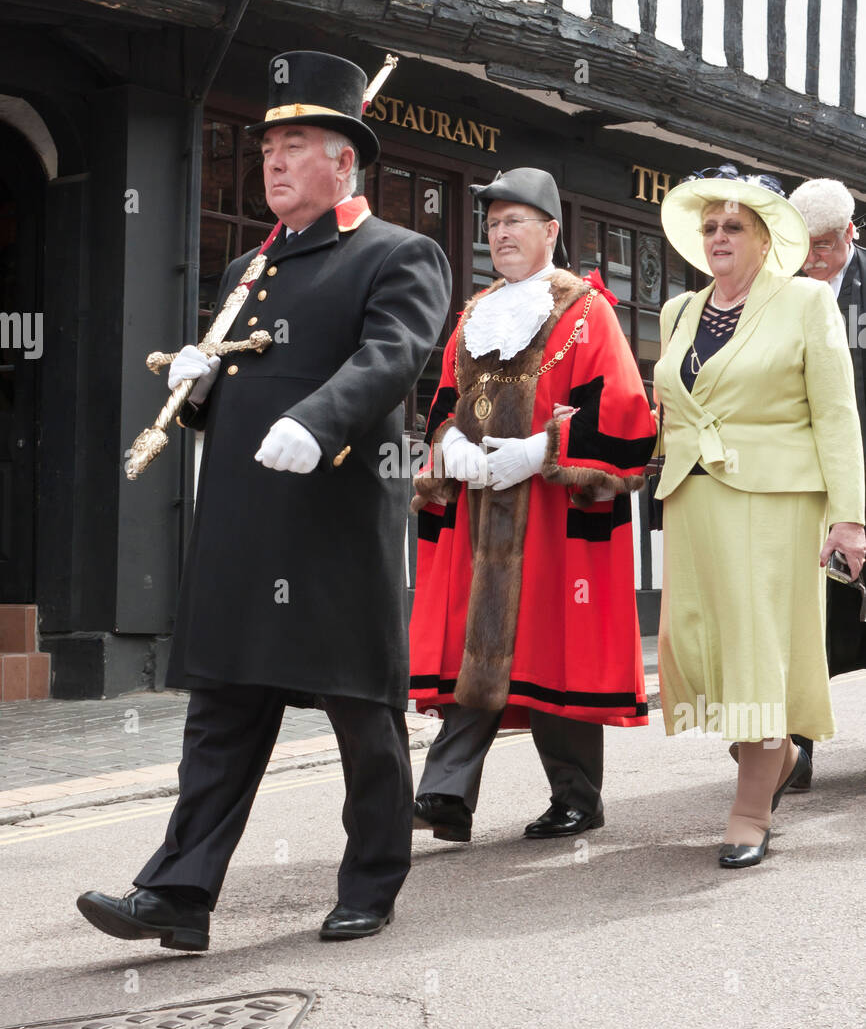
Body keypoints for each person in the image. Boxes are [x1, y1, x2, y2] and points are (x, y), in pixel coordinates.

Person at [77, 51, 451, 947]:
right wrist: (203, 388)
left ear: (344, 162)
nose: (274, 163)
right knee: (222, 713)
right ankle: (179, 894)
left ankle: (370, 881)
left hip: (333, 519)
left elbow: (393, 355)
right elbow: (237, 382)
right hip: (245, 519)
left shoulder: (399, 253)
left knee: (361, 713)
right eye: (268, 149)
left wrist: (320, 420)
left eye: (297, 145)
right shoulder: (251, 264)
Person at [409, 168, 657, 843]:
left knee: (555, 650)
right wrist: (449, 443)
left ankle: (578, 798)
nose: (500, 234)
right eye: (492, 225)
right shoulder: (475, 312)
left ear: (551, 231)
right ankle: (446, 795)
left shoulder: (588, 311)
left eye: (514, 221)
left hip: (553, 518)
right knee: (477, 647)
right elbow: (443, 404)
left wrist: (545, 448)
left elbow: (627, 416)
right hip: (482, 510)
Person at [654, 165, 865, 869]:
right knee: (704, 643)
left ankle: (750, 809)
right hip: (693, 501)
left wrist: (850, 518)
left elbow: (837, 416)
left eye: (732, 225)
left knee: (757, 646)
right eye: (709, 225)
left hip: (776, 503)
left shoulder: (807, 302)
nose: (717, 236)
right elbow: (669, 412)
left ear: (766, 237)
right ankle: (763, 764)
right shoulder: (678, 313)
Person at [785, 178, 866, 786]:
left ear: (850, 235)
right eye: (802, 244)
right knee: (804, 617)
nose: (812, 256)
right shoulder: (779, 292)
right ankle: (795, 753)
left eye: (824, 245)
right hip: (804, 478)